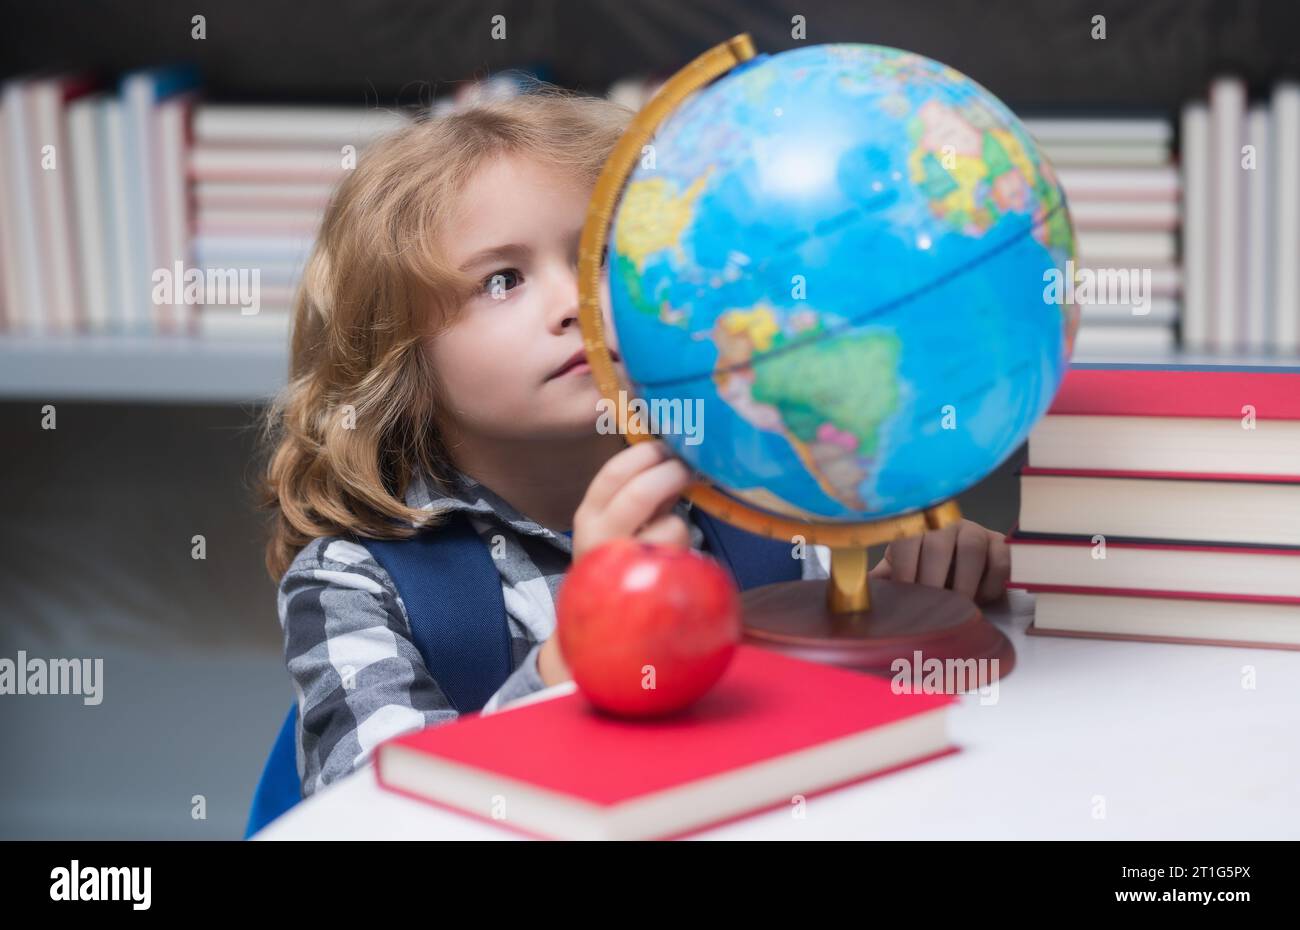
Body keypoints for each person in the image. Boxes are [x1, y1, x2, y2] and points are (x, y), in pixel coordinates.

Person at [257, 88, 1010, 798]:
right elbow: (376, 815)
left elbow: (827, 729)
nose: (572, 303)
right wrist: (573, 660)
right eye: (502, 281)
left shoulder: (758, 507)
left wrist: (910, 598)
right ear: (397, 353)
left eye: (604, 258)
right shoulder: (353, 583)